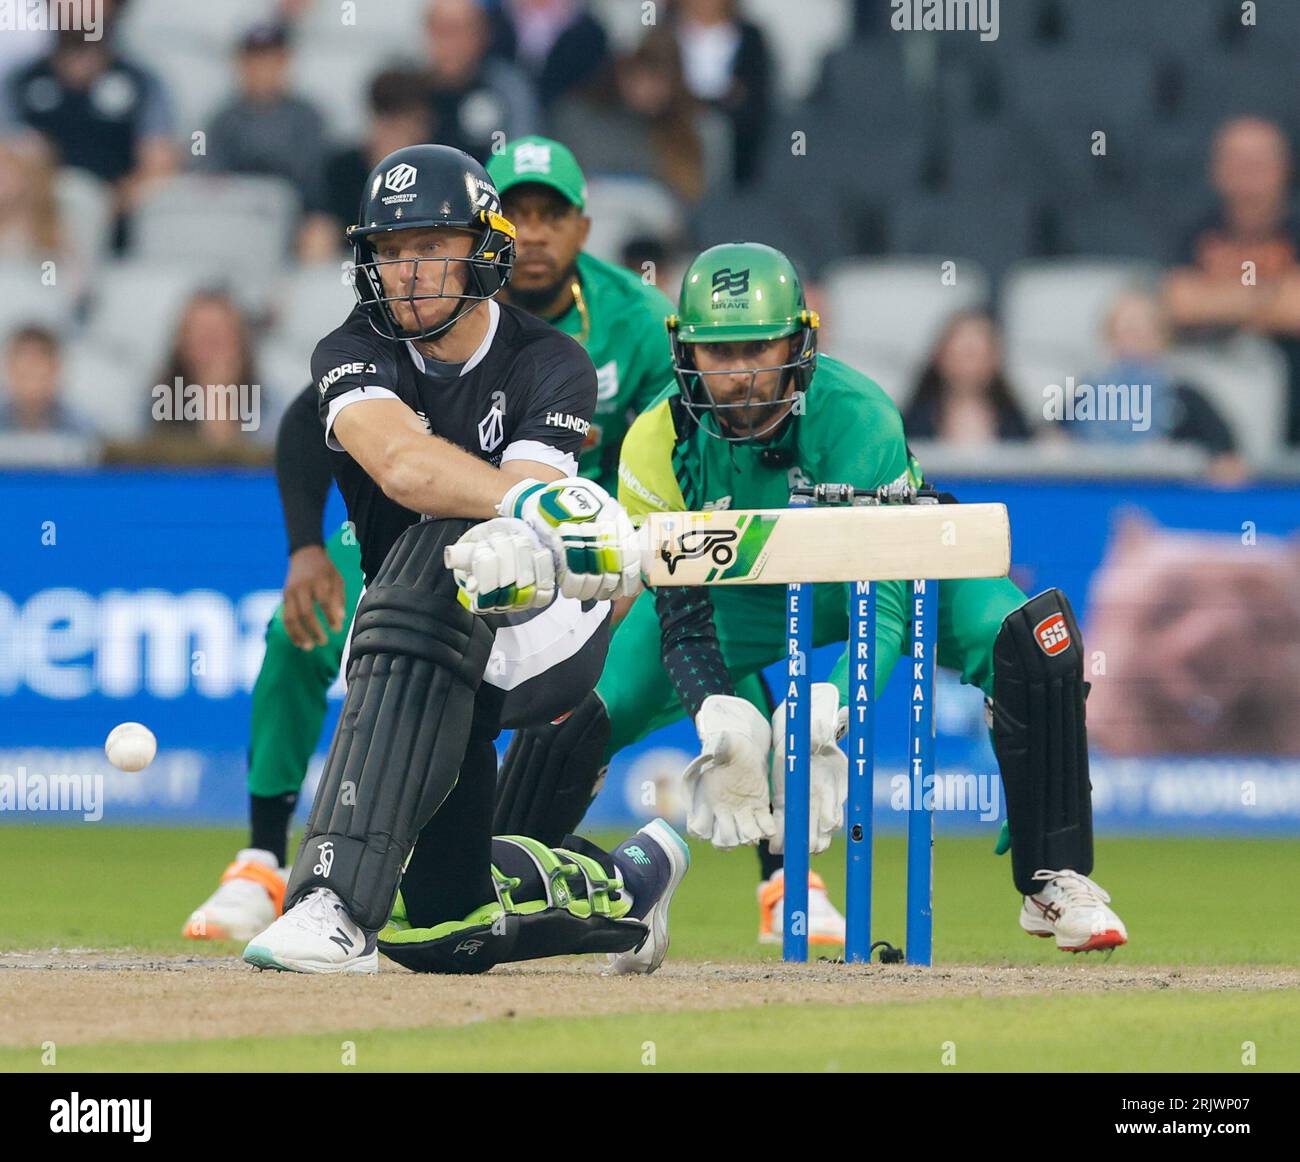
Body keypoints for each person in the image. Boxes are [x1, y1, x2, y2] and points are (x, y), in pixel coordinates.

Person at [497, 241, 1130, 955]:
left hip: (899, 573)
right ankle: (514, 883)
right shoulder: (654, 441)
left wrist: (829, 709)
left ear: (798, 343)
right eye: (719, 352)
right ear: (685, 351)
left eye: (759, 348)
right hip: (739, 596)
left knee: (1035, 636)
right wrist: (718, 711)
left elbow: (882, 597)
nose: (740, 375)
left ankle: (1054, 879)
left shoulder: (858, 413)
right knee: (574, 699)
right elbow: (681, 613)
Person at [181, 135, 688, 944]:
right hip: (430, 620)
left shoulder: (552, 358)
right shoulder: (349, 348)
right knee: (449, 914)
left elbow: (524, 511)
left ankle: (328, 901)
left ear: (483, 250)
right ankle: (625, 883)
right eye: (389, 251)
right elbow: (400, 464)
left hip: (542, 620)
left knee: (442, 560)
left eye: (429, 247)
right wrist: (530, 502)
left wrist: (533, 513)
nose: (406, 271)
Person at [1163, 117, 1300, 446]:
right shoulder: (1198, 231)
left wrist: (1218, 300)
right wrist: (1270, 296)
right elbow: (1179, 305)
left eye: (1258, 163)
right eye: (1237, 162)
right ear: (1216, 170)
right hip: (1214, 378)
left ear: (1284, 169)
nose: (1247, 174)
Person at [1064, 291, 1245, 482]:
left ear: (1161, 338)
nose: (1131, 343)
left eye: (1140, 333)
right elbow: (1052, 445)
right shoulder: (1084, 395)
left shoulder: (1186, 399)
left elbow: (1228, 458)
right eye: (1124, 332)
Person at [201, 21, 329, 257]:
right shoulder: (222, 120)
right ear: (240, 64)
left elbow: (314, 183)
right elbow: (212, 180)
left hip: (294, 221)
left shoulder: (307, 117)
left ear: (285, 62)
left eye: (270, 59)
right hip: (235, 219)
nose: (262, 69)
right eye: (254, 60)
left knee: (319, 233)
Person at [422, 0, 539, 161]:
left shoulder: (507, 89)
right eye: (441, 30)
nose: (449, 42)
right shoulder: (410, 91)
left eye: (458, 30)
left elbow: (517, 153)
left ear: (481, 35)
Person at [902, 311, 1034, 444]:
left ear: (996, 360)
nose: (967, 366)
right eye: (960, 354)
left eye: (976, 354)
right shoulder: (913, 422)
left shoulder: (1016, 424)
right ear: (939, 356)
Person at [0, 325, 96, 437]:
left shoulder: (84, 429)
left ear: (56, 370)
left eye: (38, 375)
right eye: (23, 375)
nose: (31, 387)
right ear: (9, 369)